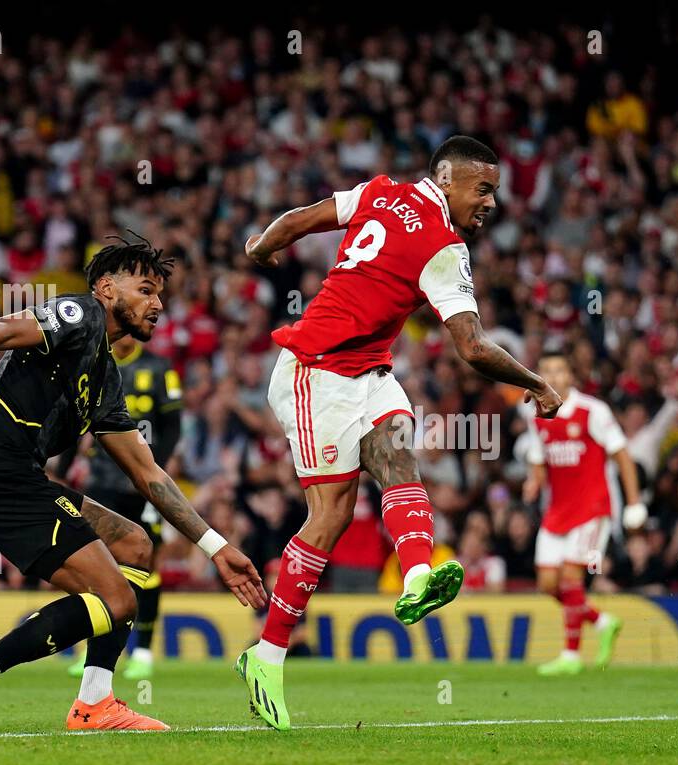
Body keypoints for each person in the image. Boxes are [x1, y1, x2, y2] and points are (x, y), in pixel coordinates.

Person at [0, 235, 265, 733]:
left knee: (134, 546)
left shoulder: (104, 377)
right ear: (106, 288)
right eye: (146, 290)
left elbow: (150, 475)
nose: (158, 304)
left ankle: (95, 704)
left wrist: (216, 547)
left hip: (11, 477)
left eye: (161, 295)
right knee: (118, 599)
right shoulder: (78, 315)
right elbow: (1, 328)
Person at [239, 135, 562, 729]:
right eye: (483, 189)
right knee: (330, 516)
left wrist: (263, 247)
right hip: (316, 371)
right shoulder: (443, 246)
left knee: (397, 452)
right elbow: (472, 347)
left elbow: (306, 219)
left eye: (495, 191)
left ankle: (417, 574)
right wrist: (536, 384)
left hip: (366, 368)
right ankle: (266, 656)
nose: (490, 203)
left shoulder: (383, 191)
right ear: (449, 180)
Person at [66, 334, 183, 681]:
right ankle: (94, 649)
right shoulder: (96, 364)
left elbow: (173, 427)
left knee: (149, 562)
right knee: (95, 563)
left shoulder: (160, 368)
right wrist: (64, 465)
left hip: (142, 485)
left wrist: (152, 474)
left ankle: (143, 651)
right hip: (102, 482)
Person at [523, 352, 646, 675]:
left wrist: (634, 503)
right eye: (545, 370)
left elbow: (622, 457)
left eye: (559, 370)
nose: (552, 375)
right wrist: (534, 482)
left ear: (571, 376)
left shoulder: (593, 410)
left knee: (571, 577)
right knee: (548, 583)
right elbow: (538, 457)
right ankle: (602, 621)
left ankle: (571, 655)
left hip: (592, 510)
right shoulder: (537, 414)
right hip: (557, 511)